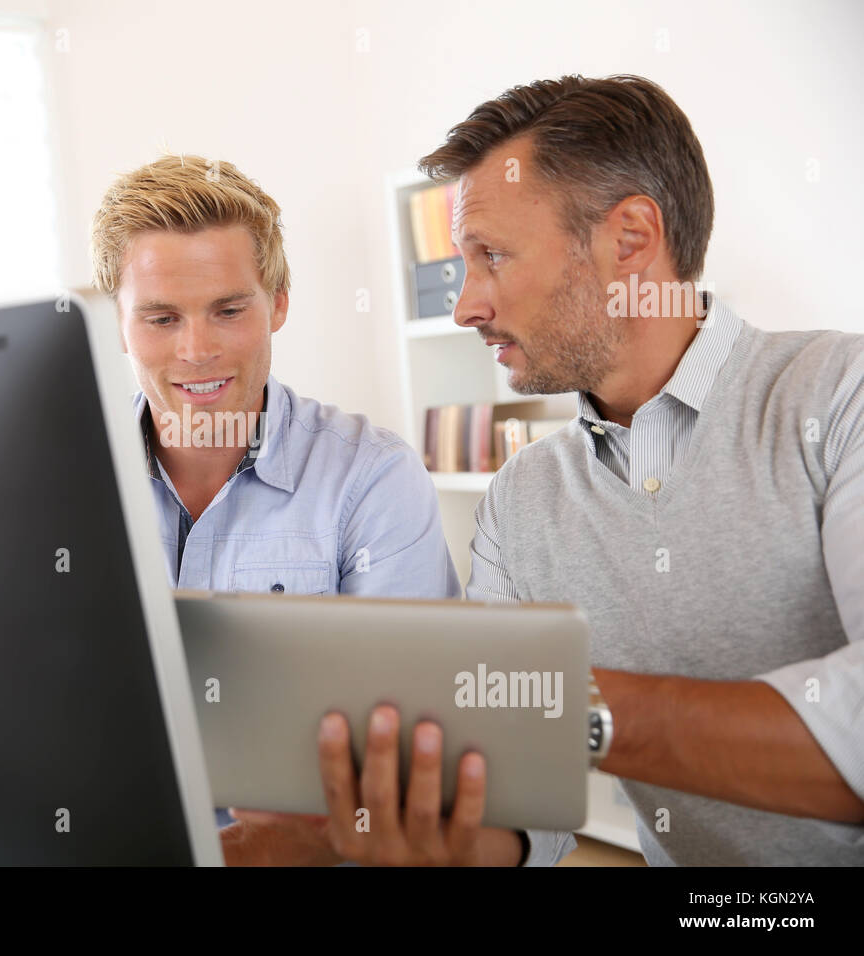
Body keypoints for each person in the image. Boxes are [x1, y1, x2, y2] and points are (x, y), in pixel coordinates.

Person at [315, 74, 864, 866]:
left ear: (631, 239)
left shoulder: (837, 396)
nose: (465, 306)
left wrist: (562, 705)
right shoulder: (522, 495)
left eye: (492, 256)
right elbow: (521, 804)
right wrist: (451, 838)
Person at [89, 154, 461, 864]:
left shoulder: (371, 479)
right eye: (161, 318)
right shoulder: (66, 477)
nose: (197, 351)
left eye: (228, 310)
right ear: (119, 321)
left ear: (279, 302)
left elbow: (409, 750)